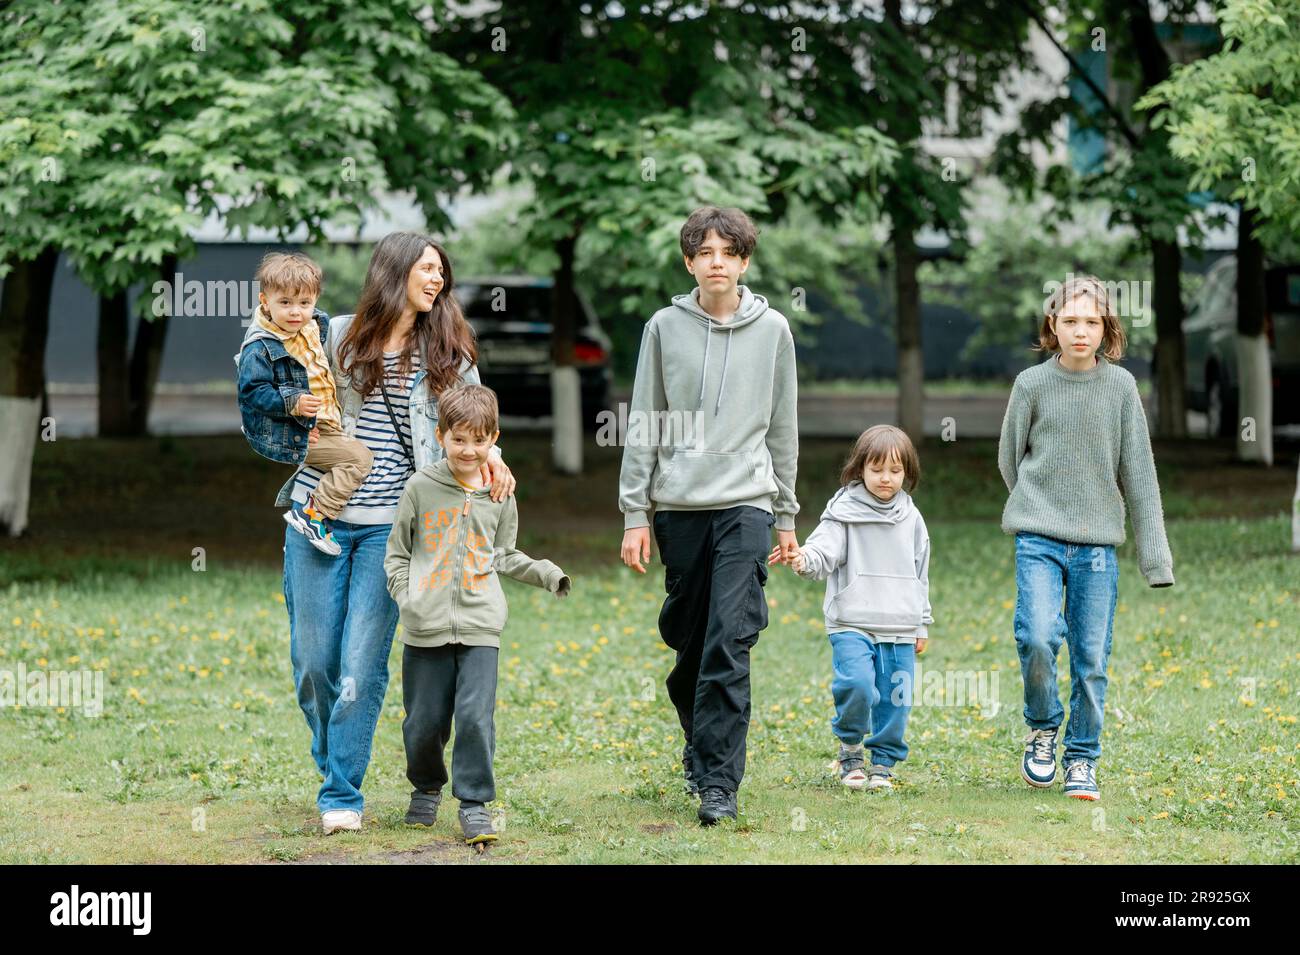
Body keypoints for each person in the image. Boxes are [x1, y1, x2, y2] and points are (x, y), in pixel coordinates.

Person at [279, 232, 516, 835]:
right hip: (318, 517)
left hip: (389, 530)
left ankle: (341, 792)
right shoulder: (334, 335)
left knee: (360, 663)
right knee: (313, 663)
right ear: (394, 271)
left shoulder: (450, 350)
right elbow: (268, 348)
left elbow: (475, 422)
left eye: (441, 272)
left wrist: (496, 458)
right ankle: (333, 756)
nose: (437, 280)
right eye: (426, 269)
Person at [618, 206, 800, 826]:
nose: (716, 261)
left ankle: (719, 782)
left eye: (728, 252)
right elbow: (644, 420)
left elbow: (784, 428)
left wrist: (785, 514)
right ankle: (700, 745)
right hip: (679, 506)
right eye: (704, 252)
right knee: (690, 642)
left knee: (731, 638)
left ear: (745, 261)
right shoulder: (663, 328)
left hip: (747, 503)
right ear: (690, 262)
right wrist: (634, 513)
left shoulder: (774, 329)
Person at [998, 273, 1174, 802]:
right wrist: (1038, 505)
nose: (1080, 331)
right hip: (1038, 538)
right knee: (1036, 637)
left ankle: (1082, 758)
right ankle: (1043, 727)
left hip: (1098, 547)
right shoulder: (1030, 385)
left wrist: (1155, 559)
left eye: (1091, 322)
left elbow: (1139, 474)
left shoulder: (1120, 388)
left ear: (1106, 329)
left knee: (1092, 657)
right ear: (1052, 324)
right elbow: (1010, 460)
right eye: (1070, 320)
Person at [385, 384, 570, 846]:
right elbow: (397, 556)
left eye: (479, 440)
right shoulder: (420, 488)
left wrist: (546, 573)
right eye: (459, 439)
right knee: (423, 721)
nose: (469, 450)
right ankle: (425, 787)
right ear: (440, 435)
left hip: (481, 627)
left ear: (494, 439)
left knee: (474, 716)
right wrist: (409, 600)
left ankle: (474, 803)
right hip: (423, 628)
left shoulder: (499, 493)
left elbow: (503, 554)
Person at [772, 425, 932, 792]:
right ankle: (849, 748)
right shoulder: (843, 511)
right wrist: (802, 559)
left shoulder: (912, 519)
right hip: (852, 622)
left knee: (896, 698)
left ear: (906, 472)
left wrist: (921, 622)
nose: (886, 479)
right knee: (857, 685)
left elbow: (921, 573)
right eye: (877, 470)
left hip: (900, 624)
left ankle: (883, 765)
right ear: (860, 469)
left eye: (895, 471)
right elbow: (822, 551)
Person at [236, 252, 373, 556]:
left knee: (355, 455)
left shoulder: (314, 326)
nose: (296, 312)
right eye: (284, 303)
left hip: (317, 424)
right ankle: (314, 514)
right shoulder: (261, 346)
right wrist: (294, 409)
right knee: (360, 459)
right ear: (264, 301)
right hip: (292, 429)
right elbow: (252, 393)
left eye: (304, 303)